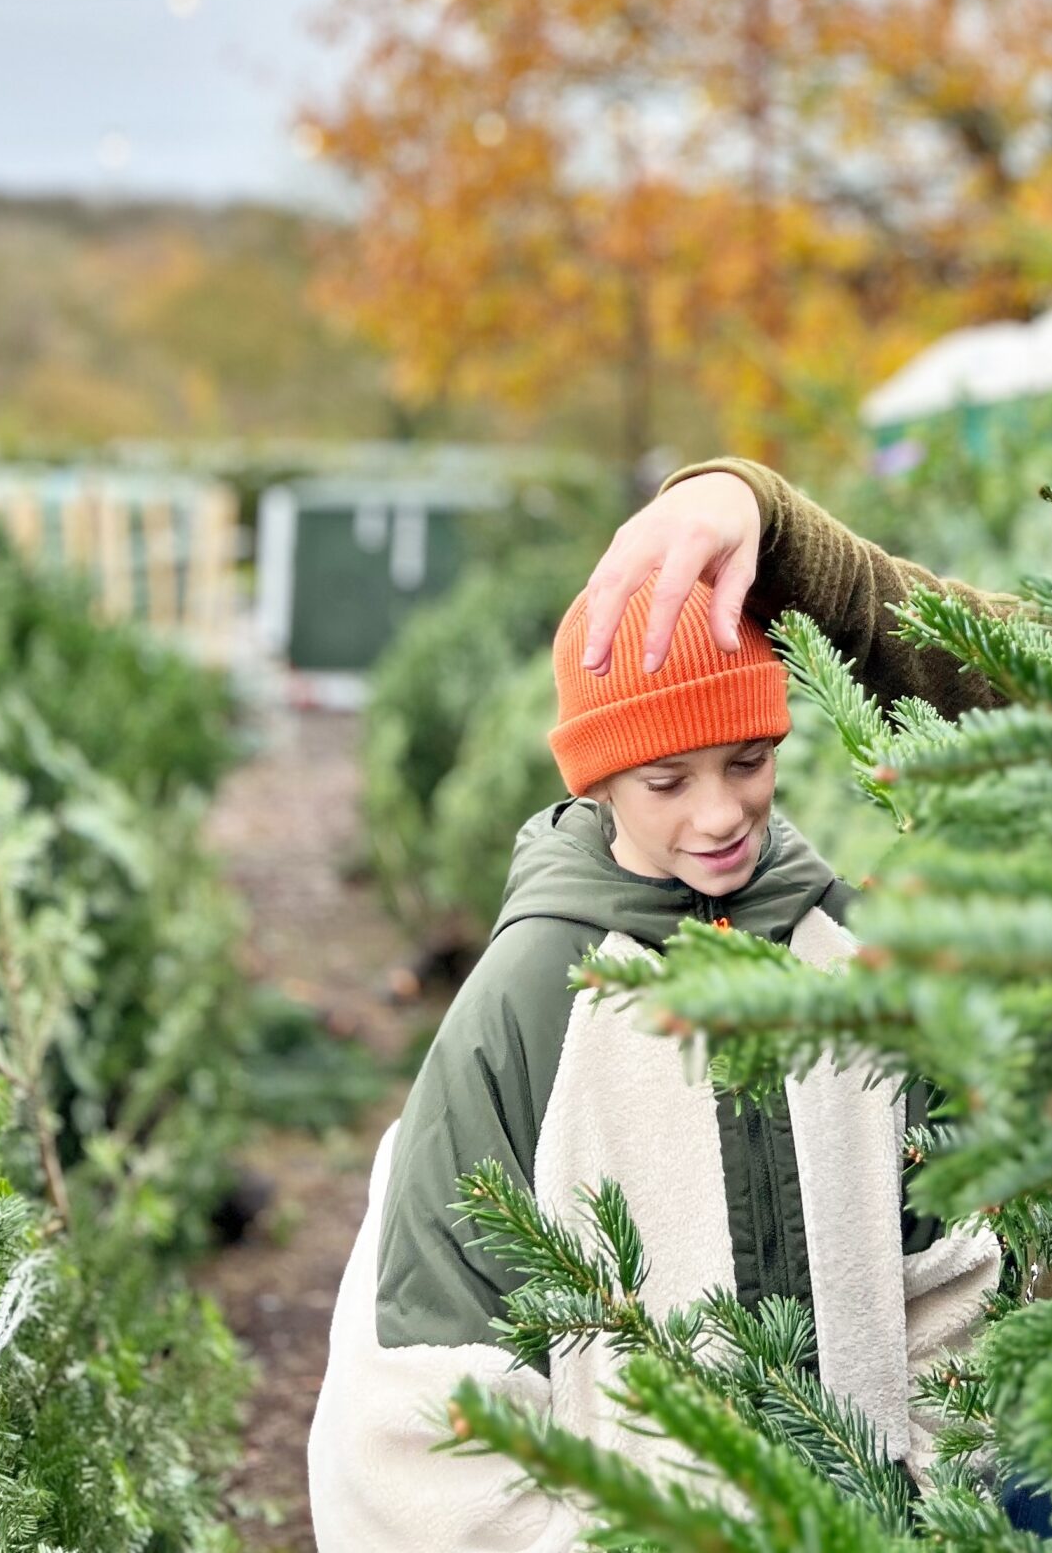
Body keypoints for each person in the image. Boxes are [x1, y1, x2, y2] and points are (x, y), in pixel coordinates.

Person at [307, 472, 1002, 1553]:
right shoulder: (531, 995)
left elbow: (947, 1267)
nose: (721, 812)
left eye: (750, 760)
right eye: (668, 780)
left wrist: (931, 1490)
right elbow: (427, 1363)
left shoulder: (851, 959)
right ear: (601, 779)